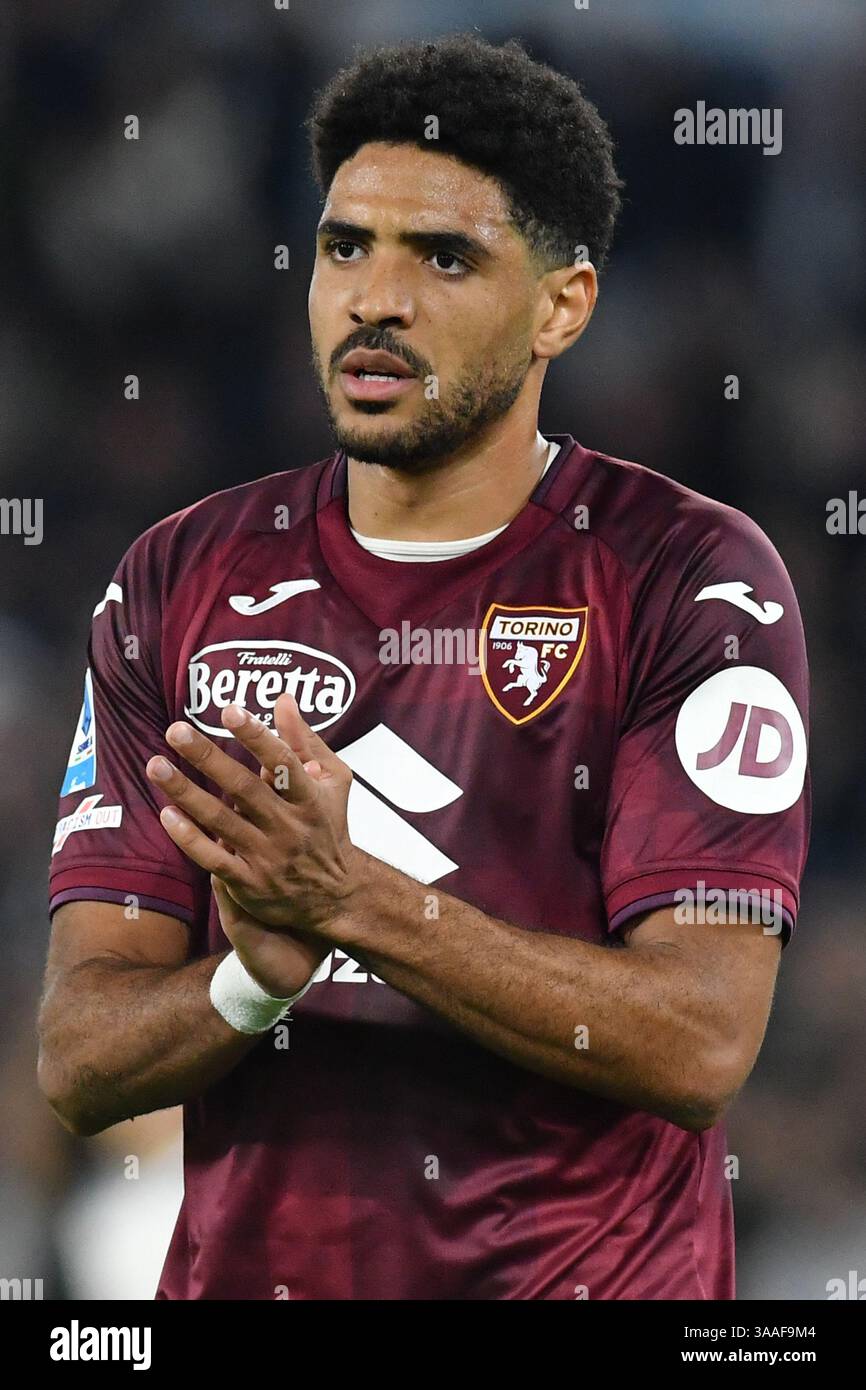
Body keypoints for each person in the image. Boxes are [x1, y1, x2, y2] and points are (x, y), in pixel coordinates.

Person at [39, 34, 810, 1300]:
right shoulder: (179, 576)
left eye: (442, 257)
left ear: (563, 302)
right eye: (345, 246)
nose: (372, 298)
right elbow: (78, 1063)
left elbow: (701, 1038)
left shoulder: (689, 575)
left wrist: (347, 901)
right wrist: (248, 979)